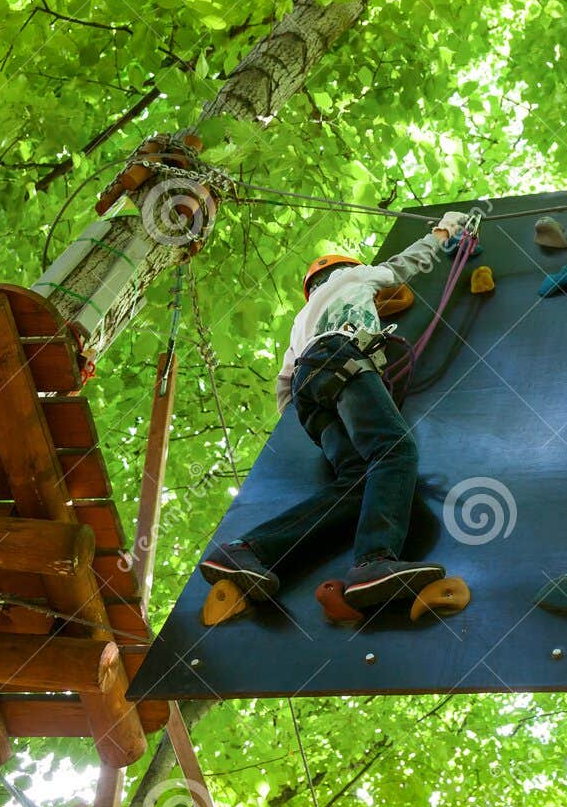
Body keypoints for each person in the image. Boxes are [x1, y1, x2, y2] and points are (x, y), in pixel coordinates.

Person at [199, 211, 470, 610]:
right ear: (347, 269)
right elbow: (407, 264)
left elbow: (284, 385)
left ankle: (246, 550)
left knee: (358, 480)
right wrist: (447, 229)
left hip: (308, 393)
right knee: (394, 451)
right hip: (341, 360)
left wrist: (308, 420)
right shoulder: (354, 278)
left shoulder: (301, 321)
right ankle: (374, 560)